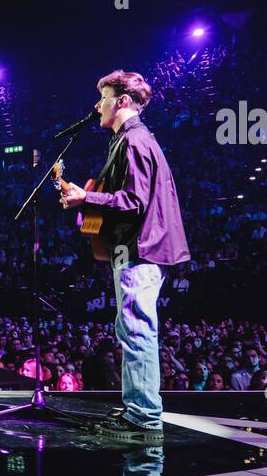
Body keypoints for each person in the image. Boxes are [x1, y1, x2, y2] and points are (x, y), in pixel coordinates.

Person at [59, 70, 190, 442]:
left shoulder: (134, 141)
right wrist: (88, 199)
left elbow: (134, 201)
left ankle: (144, 415)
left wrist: (88, 199)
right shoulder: (128, 140)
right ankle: (138, 408)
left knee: (136, 329)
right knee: (131, 328)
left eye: (103, 97)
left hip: (141, 248)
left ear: (122, 101)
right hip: (137, 246)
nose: (97, 105)